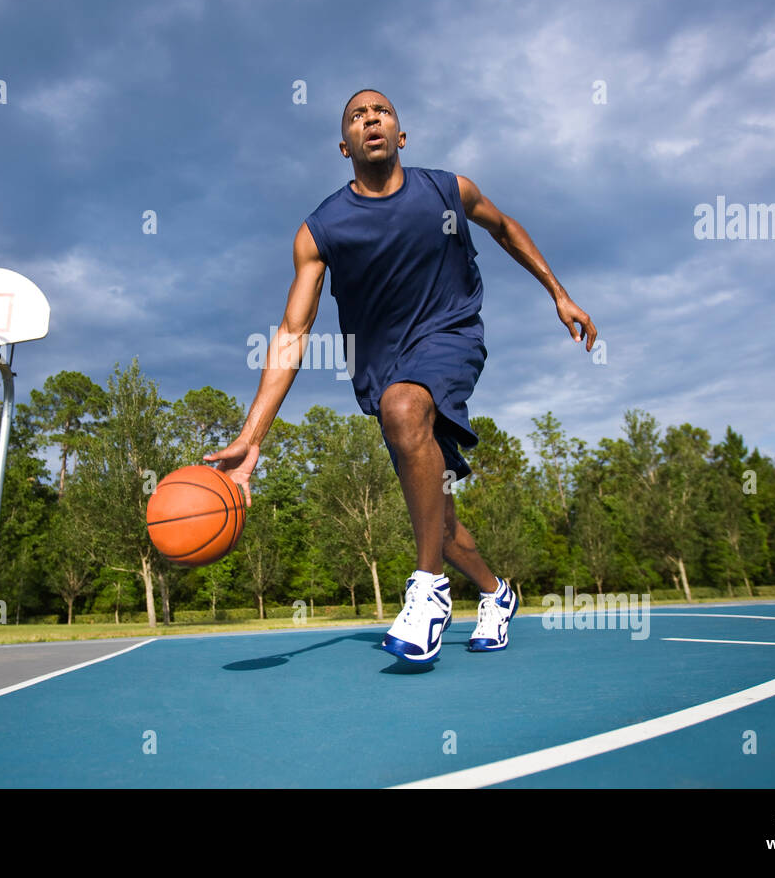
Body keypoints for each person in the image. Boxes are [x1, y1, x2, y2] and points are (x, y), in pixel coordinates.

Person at [206, 89, 597, 663]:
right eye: (358, 116)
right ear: (345, 146)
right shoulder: (322, 231)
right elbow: (292, 332)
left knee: (404, 408)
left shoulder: (446, 190)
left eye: (382, 111)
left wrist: (559, 294)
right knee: (435, 515)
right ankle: (496, 592)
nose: (371, 119)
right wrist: (252, 438)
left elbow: (505, 228)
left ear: (401, 135)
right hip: (383, 368)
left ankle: (428, 591)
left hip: (450, 336)